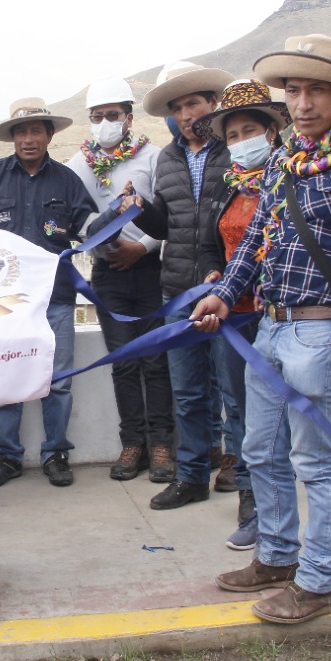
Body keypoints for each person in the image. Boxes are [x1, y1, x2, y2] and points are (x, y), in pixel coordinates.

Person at [188, 34, 331, 624]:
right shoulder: (286, 163)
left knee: (315, 461)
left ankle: (317, 582)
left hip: (327, 334)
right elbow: (255, 249)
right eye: (293, 89)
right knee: (259, 451)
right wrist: (222, 293)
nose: (304, 102)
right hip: (270, 327)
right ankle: (277, 556)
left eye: (317, 89)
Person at [0, 98, 98, 488]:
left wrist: (119, 214)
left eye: (36, 130)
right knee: (7, 378)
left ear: (49, 135)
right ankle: (7, 456)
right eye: (21, 131)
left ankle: (56, 453)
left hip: (55, 299)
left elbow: (88, 226)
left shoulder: (67, 181)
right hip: (3, 303)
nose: (28, 138)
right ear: (12, 137)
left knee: (58, 381)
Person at [190, 80, 291, 550]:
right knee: (239, 412)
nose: (240, 142)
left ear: (271, 131)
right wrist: (215, 274)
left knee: (274, 418)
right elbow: (213, 243)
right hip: (232, 317)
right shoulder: (226, 185)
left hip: (277, 315)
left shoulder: (290, 180)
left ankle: (272, 508)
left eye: (249, 130)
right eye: (231, 135)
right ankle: (251, 503)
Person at [135, 61, 237, 510]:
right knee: (189, 393)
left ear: (213, 103)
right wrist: (139, 208)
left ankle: (243, 474)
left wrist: (229, 278)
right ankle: (192, 476)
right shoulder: (168, 157)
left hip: (229, 291)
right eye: (176, 107)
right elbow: (168, 224)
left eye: (193, 102)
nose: (185, 113)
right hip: (177, 290)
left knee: (236, 392)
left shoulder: (234, 151)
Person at [65, 78, 174, 483]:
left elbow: (166, 214)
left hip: (148, 269)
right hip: (106, 273)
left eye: (113, 115)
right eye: (98, 117)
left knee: (155, 359)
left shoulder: (153, 158)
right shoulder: (76, 166)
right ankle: (133, 444)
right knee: (123, 363)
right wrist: (101, 249)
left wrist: (141, 247)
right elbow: (76, 222)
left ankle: (162, 444)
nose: (105, 123)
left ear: (128, 117)